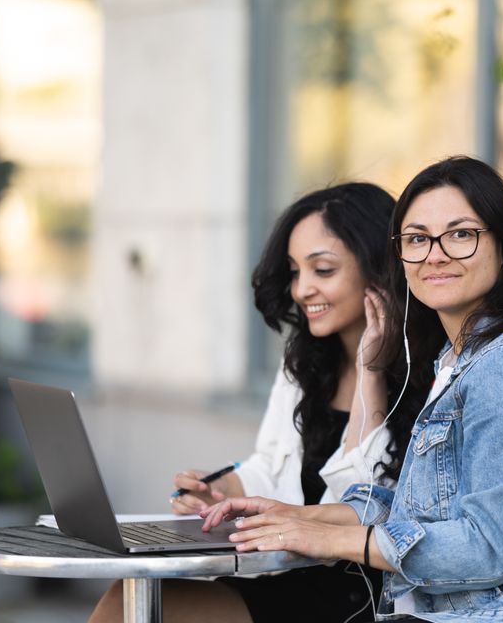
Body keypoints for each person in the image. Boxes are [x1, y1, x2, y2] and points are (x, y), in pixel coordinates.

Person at [202, 156, 503, 623]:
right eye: (418, 239)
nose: (435, 255)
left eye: (461, 234)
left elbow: (487, 547)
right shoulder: (460, 358)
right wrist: (297, 517)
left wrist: (330, 538)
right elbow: (427, 511)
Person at [88, 183, 431, 623]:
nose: (302, 289)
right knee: (125, 601)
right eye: (294, 272)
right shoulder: (304, 362)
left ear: (378, 270)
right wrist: (223, 492)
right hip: (289, 575)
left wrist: (370, 374)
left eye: (323, 270)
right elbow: (270, 464)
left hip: (371, 594)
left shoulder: (427, 372)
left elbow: (361, 502)